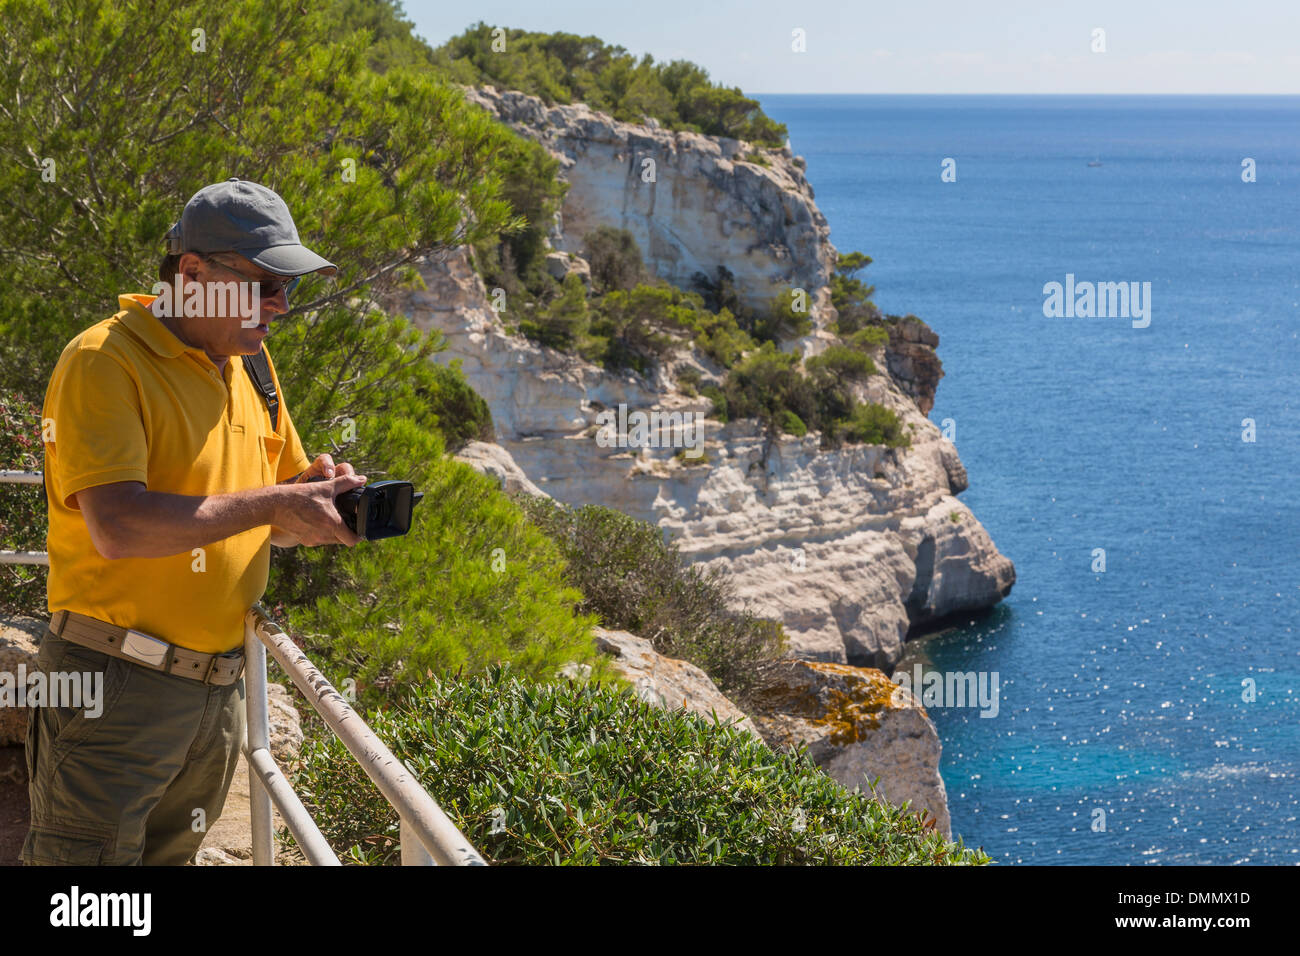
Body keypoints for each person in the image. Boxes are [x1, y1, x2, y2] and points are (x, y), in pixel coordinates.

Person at [23, 178, 365, 865]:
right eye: (265, 285)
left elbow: (272, 511)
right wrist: (274, 504)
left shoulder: (251, 366)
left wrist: (315, 501)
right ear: (192, 274)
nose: (281, 308)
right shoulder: (104, 360)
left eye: (289, 290)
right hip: (113, 685)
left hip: (216, 693)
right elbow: (118, 526)